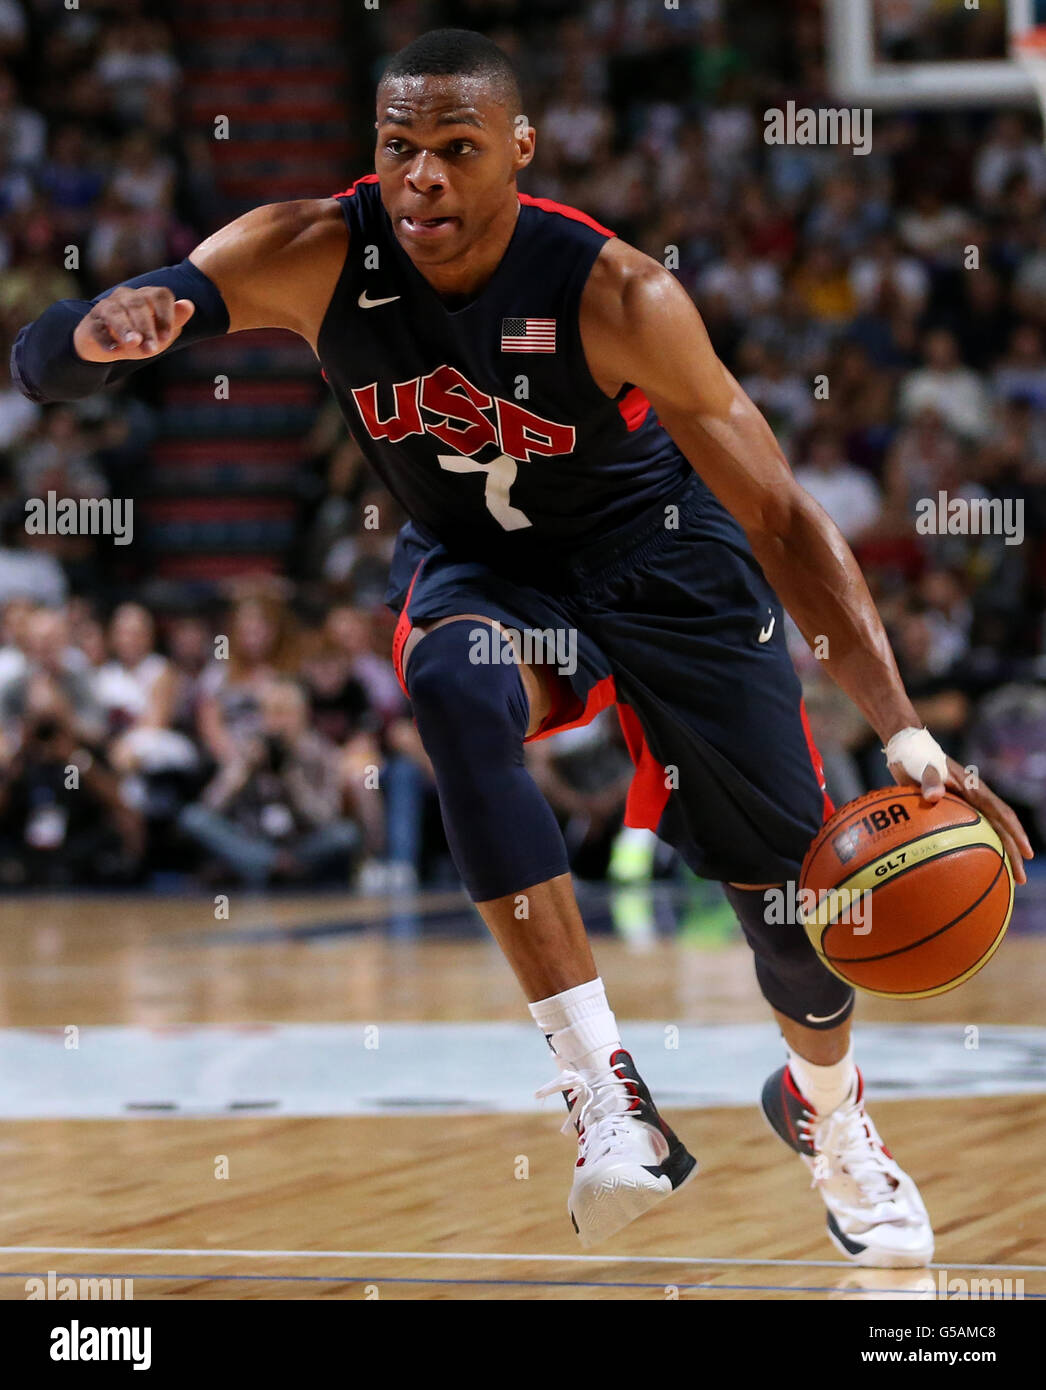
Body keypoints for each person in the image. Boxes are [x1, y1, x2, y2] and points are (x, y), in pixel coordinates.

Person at [11, 27, 1033, 1262]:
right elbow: (48, 360)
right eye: (399, 148)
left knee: (790, 920)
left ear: (519, 153)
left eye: (455, 149)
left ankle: (828, 1112)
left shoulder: (615, 292)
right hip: (491, 575)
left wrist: (903, 727)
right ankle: (605, 1094)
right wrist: (90, 335)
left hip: (669, 569)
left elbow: (777, 512)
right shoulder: (313, 250)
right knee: (448, 672)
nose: (422, 177)